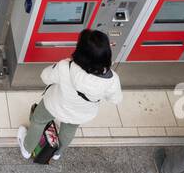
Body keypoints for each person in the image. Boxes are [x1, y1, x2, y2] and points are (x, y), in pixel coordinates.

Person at [18, 29, 122, 161]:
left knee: (38, 121)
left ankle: (27, 149)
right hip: (82, 113)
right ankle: (57, 153)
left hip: (55, 104)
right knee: (69, 130)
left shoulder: (65, 67)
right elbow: (115, 99)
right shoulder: (112, 80)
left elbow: (45, 76)